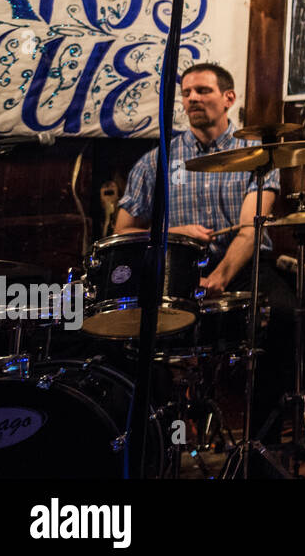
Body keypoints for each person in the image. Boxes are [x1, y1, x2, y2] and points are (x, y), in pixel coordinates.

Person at [115, 62, 295, 436]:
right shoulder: (156, 160)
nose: (192, 98)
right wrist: (173, 230)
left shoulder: (257, 155)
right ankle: (159, 434)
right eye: (187, 92)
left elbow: (250, 230)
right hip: (176, 267)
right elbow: (123, 232)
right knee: (130, 325)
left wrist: (219, 277)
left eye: (203, 91)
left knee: (285, 315)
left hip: (244, 262)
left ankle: (261, 436)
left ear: (228, 98)